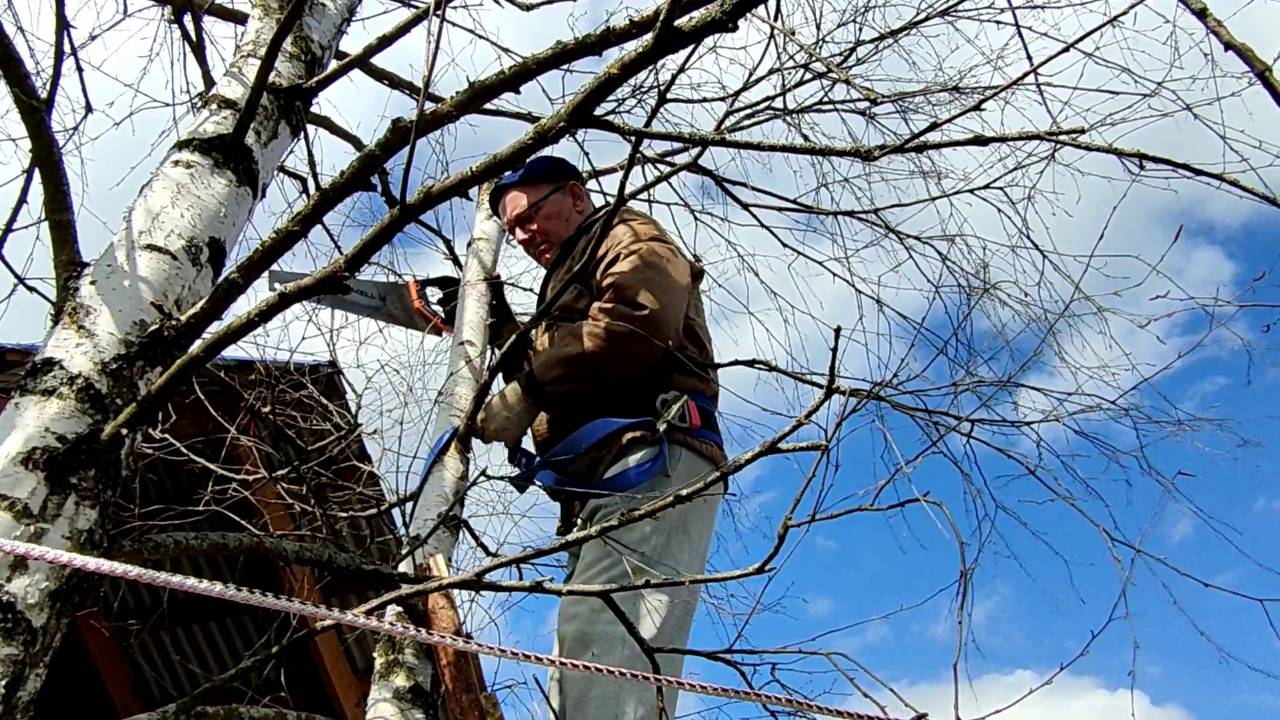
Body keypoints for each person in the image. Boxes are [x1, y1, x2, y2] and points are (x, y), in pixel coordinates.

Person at [474, 155, 727, 719]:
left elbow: (632, 325)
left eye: (531, 215)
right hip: (612, 477)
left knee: (598, 630)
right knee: (629, 656)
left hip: (651, 455)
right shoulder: (568, 280)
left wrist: (525, 393)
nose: (522, 235)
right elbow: (563, 368)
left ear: (577, 197)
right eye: (512, 228)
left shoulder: (625, 234)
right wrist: (495, 325)